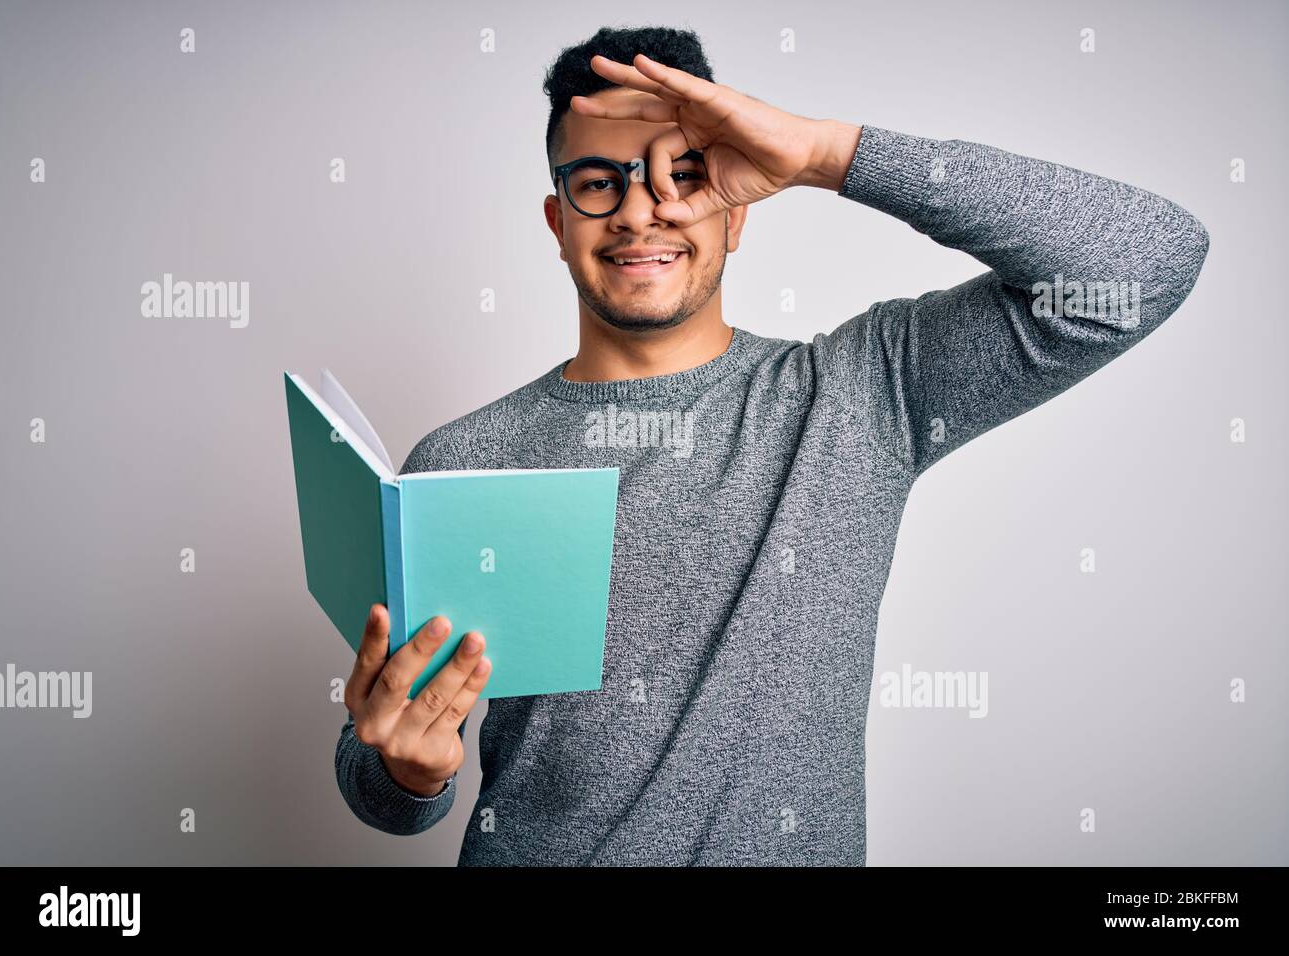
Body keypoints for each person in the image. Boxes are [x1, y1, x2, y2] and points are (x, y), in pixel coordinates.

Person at [334, 25, 1209, 865]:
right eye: (599, 182)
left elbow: (1149, 263)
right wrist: (410, 770)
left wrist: (827, 155)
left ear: (738, 211)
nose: (641, 213)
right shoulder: (459, 460)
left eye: (678, 175)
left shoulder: (867, 391)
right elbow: (377, 778)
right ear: (558, 221)